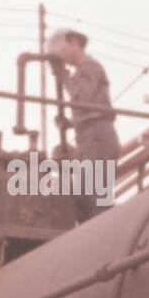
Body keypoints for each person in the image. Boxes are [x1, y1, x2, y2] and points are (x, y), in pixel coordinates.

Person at [47, 28, 121, 222]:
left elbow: (84, 98)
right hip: (88, 139)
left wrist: (63, 77)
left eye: (61, 50)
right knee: (82, 200)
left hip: (97, 137)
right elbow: (89, 109)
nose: (60, 57)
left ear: (73, 42)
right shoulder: (81, 72)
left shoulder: (90, 66)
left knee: (95, 199)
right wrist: (70, 123)